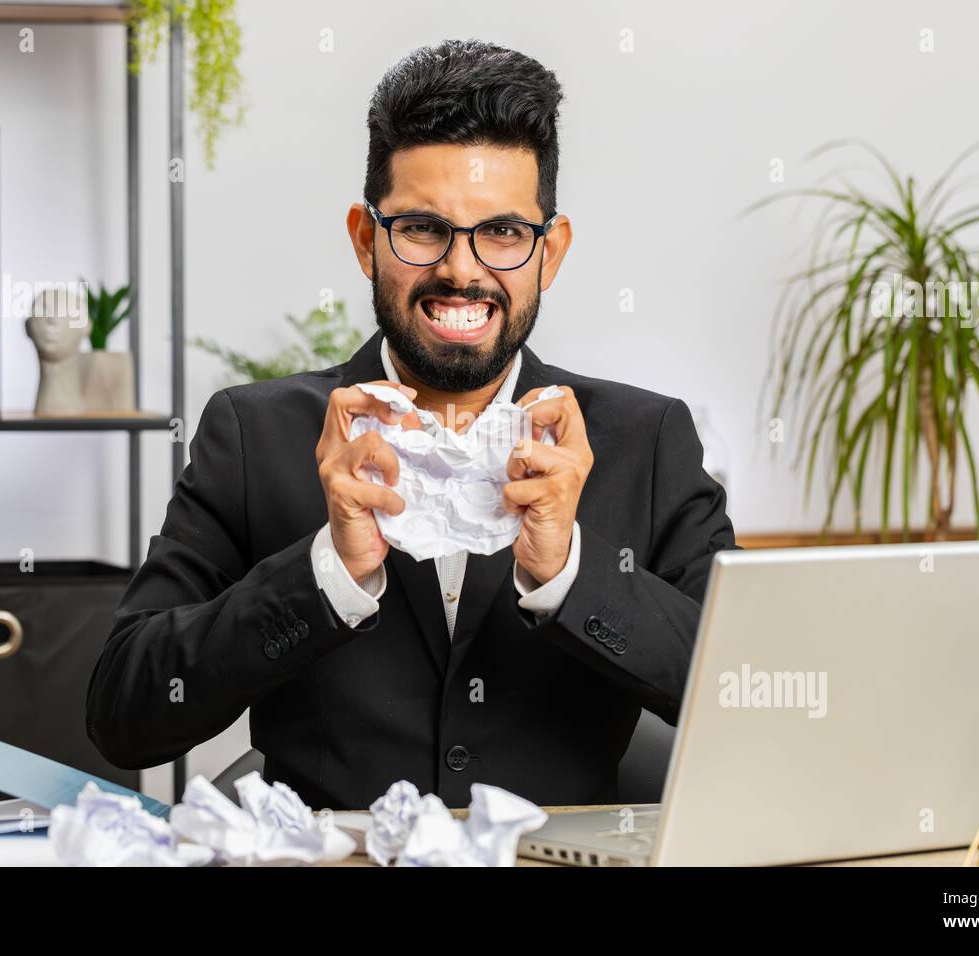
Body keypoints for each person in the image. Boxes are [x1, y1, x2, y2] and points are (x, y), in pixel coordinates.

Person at [86, 39, 737, 809]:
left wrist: (570, 571)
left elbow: (746, 701)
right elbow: (125, 713)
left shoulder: (645, 440)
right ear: (367, 239)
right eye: (424, 229)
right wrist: (327, 572)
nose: (463, 271)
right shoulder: (252, 436)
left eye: (502, 232)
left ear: (549, 252)